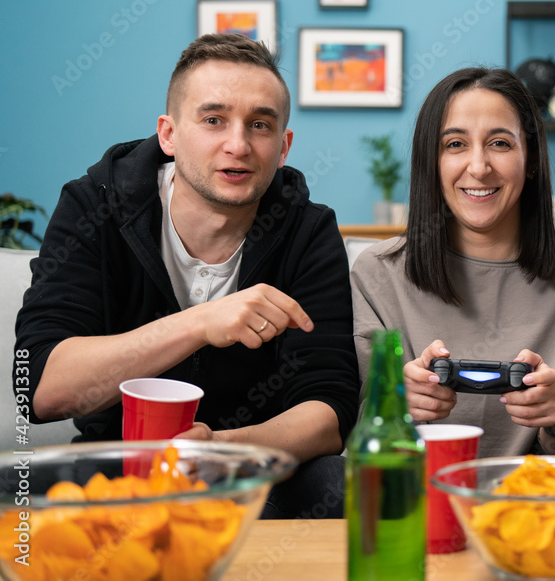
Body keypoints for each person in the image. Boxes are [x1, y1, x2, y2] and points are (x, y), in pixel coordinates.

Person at [16, 33, 360, 518]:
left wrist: (218, 450)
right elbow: (40, 388)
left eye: (259, 125)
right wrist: (200, 323)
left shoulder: (309, 228)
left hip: (251, 472)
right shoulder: (94, 205)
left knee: (335, 484)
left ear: (283, 147)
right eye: (214, 119)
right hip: (116, 472)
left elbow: (329, 411)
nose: (237, 144)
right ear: (169, 134)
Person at [351, 67, 555, 457]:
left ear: (530, 160)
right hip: (417, 502)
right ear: (432, 161)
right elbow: (350, 431)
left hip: (542, 503)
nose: (478, 167)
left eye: (500, 143)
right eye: (455, 145)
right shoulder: (376, 274)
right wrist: (394, 407)